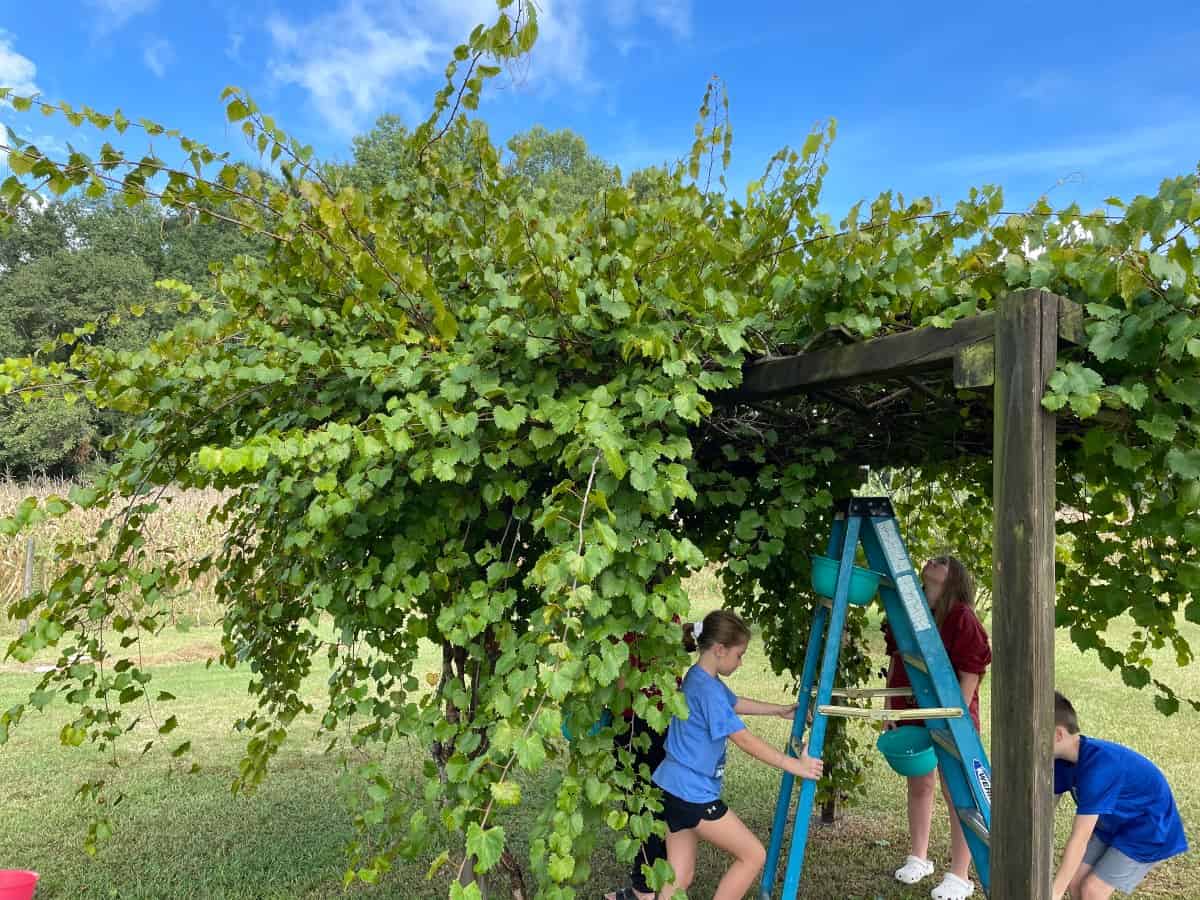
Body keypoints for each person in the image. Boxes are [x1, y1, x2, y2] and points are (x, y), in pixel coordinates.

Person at [649, 609, 823, 900]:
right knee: (753, 855)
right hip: (693, 794)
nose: (740, 662)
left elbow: (735, 702)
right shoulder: (709, 691)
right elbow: (744, 739)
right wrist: (796, 766)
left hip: (671, 786)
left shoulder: (698, 678)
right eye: (739, 655)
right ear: (719, 650)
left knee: (680, 876)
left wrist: (779, 710)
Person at [884, 556, 991, 900]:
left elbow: (971, 672)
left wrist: (953, 716)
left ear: (953, 583)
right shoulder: (909, 609)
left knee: (956, 790)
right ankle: (919, 857)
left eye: (940, 569)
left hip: (949, 713)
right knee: (919, 782)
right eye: (928, 568)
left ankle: (959, 875)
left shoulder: (961, 617)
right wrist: (890, 705)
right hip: (911, 707)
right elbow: (895, 658)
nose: (932, 565)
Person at [1051, 690, 1187, 899]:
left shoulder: (1098, 770)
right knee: (1076, 881)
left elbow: (1080, 838)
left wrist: (1053, 894)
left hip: (1148, 829)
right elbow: (1044, 811)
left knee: (1092, 890)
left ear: (1058, 735)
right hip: (1114, 823)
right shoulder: (1062, 761)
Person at [604, 620, 698, 900]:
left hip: (635, 725)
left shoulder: (622, 628)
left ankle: (642, 890)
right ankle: (661, 880)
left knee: (641, 806)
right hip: (666, 724)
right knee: (657, 802)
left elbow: (621, 688)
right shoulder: (669, 620)